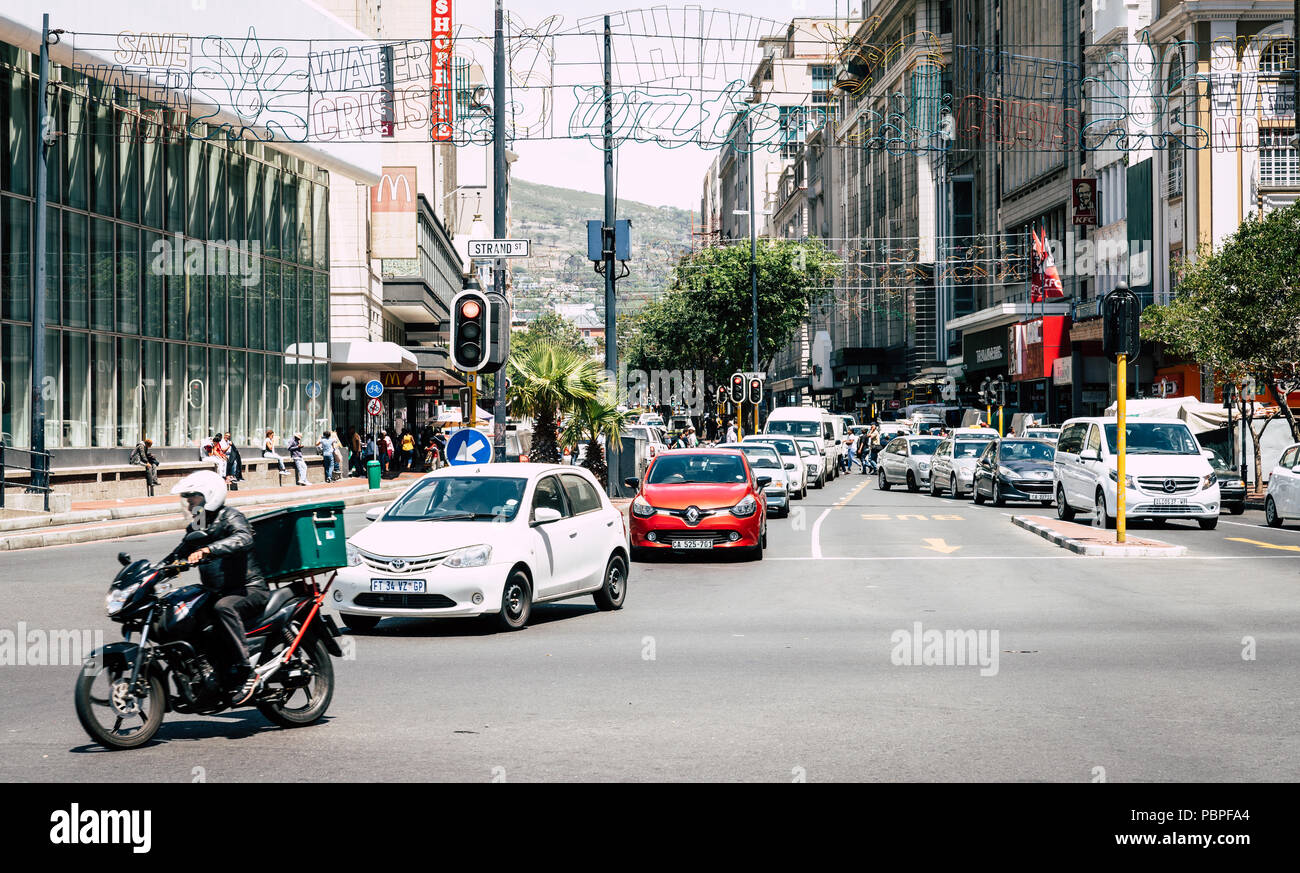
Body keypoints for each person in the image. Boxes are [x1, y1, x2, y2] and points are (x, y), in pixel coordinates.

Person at [165, 470, 269, 705]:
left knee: (224, 608)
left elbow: (244, 538)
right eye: (188, 498)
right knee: (187, 614)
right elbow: (182, 550)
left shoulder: (231, 516)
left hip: (248, 589)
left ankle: (247, 672)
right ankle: (206, 673)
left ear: (209, 496)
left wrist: (209, 550)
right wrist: (158, 571)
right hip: (218, 591)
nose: (190, 502)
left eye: (193, 497)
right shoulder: (201, 521)